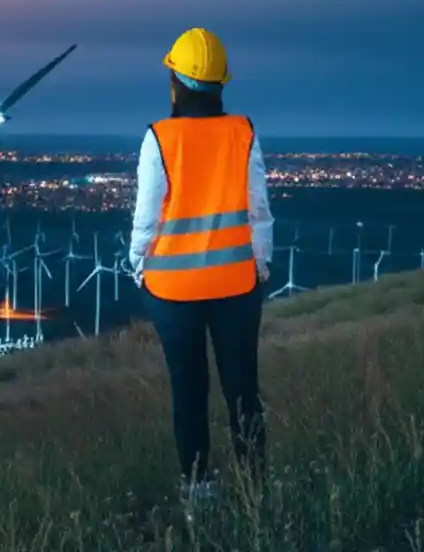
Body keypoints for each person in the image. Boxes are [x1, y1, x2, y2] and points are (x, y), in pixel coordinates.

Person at [128, 27, 273, 502]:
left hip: (173, 292)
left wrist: (138, 265)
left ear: (176, 79)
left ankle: (198, 494)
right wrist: (261, 267)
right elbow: (259, 211)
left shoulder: (160, 138)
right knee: (243, 392)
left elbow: (146, 218)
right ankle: (255, 491)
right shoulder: (243, 132)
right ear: (220, 83)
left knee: (189, 393)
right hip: (237, 287)